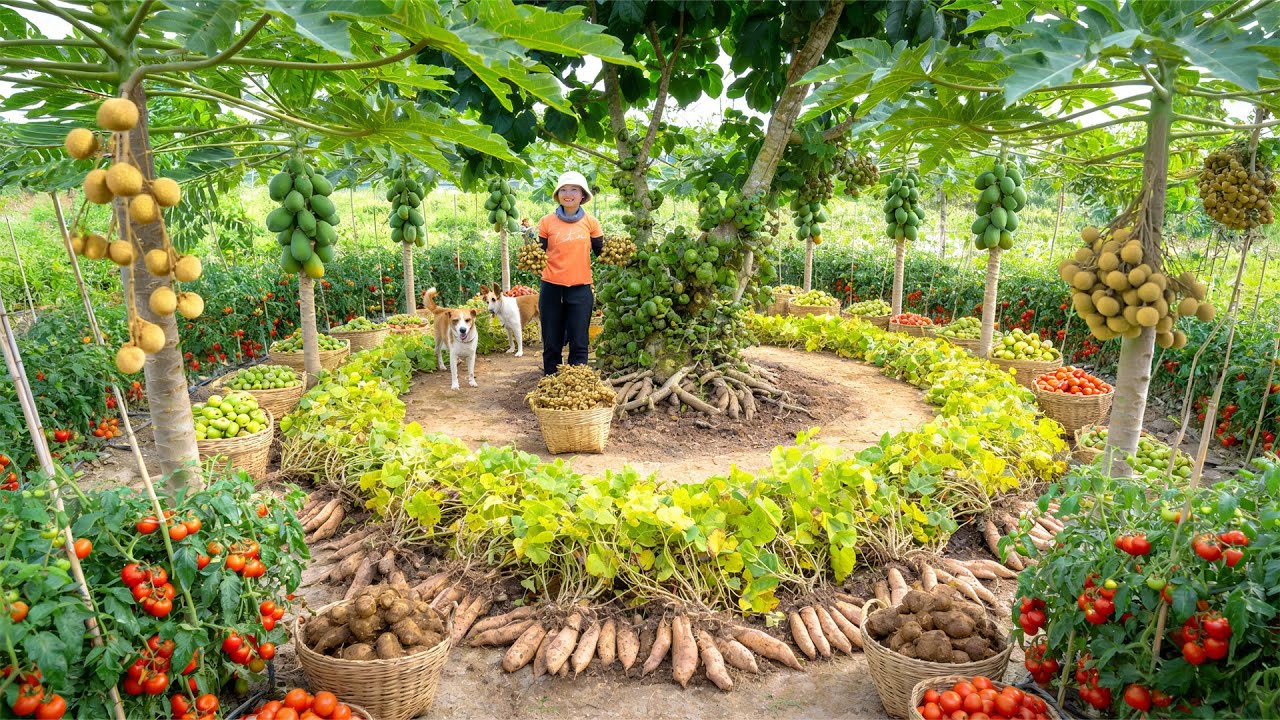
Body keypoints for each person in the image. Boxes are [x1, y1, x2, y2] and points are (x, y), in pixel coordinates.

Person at [537, 171, 603, 376]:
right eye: (563, 190)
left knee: (579, 342)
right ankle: (551, 382)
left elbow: (602, 252)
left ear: (582, 195)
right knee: (551, 342)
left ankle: (577, 384)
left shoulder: (591, 223)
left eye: (574, 189)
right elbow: (537, 254)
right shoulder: (546, 222)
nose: (568, 194)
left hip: (581, 289)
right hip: (551, 288)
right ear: (558, 195)